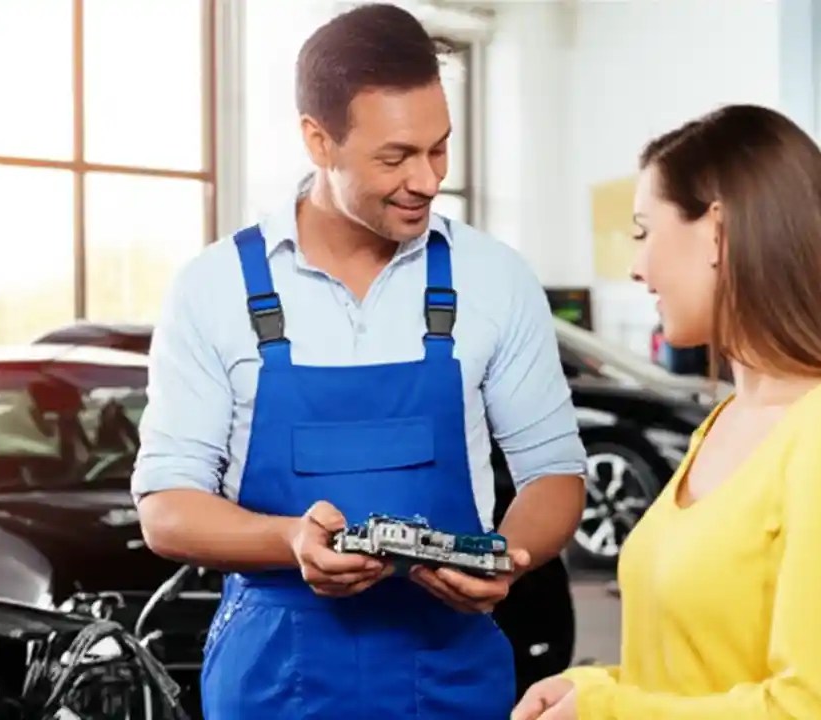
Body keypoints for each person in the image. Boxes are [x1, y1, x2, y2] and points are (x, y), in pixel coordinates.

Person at [132, 4, 588, 719]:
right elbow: (166, 510)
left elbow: (555, 473)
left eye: (439, 148)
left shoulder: (493, 278)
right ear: (318, 140)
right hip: (273, 681)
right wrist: (288, 540)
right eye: (395, 157)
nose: (428, 179)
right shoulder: (213, 287)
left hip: (452, 675)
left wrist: (506, 556)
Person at [512, 104, 821, 720]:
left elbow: (817, 709)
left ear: (717, 232)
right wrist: (595, 687)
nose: (636, 267)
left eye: (643, 231)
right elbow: (698, 669)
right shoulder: (727, 423)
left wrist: (609, 710)